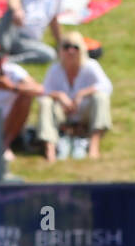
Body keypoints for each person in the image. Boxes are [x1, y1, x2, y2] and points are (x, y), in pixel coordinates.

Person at [38, 31, 113, 162]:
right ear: (61, 50)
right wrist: (59, 96)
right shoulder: (55, 69)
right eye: (66, 47)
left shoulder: (90, 66)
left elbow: (106, 86)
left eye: (75, 47)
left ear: (82, 50)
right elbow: (43, 91)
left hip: (84, 112)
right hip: (62, 113)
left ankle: (94, 144)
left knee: (101, 97)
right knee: (45, 102)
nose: (71, 51)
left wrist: (82, 93)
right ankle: (50, 148)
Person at [0, 0, 63, 65]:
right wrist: (17, 10)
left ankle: (5, 61)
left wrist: (61, 43)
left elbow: (54, 19)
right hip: (12, 35)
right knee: (10, 13)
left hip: (31, 42)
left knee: (50, 54)